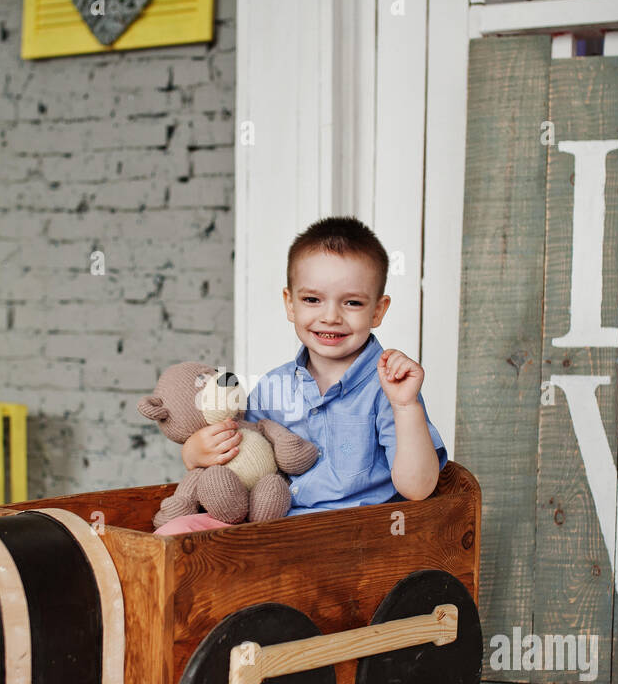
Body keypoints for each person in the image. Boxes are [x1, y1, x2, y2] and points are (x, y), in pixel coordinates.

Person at [156, 216, 446, 534]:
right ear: (290, 304)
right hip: (275, 527)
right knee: (176, 534)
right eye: (312, 300)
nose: (330, 316)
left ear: (377, 310)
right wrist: (194, 454)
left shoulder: (388, 388)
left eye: (352, 302)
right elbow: (244, 463)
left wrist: (405, 407)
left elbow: (418, 488)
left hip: (354, 539)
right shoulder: (272, 388)